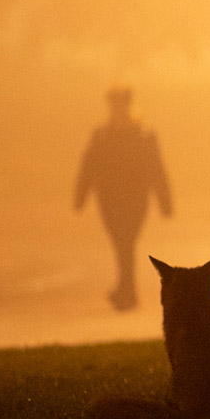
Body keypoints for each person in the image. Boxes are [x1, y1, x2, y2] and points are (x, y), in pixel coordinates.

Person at [74, 86, 173, 311]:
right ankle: (126, 289)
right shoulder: (101, 135)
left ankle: (126, 290)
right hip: (108, 200)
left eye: (121, 104)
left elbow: (157, 169)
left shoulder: (144, 135)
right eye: (114, 104)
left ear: (127, 105)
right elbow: (88, 166)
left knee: (125, 242)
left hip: (136, 199)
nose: (117, 109)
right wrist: (81, 196)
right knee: (121, 243)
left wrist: (165, 202)